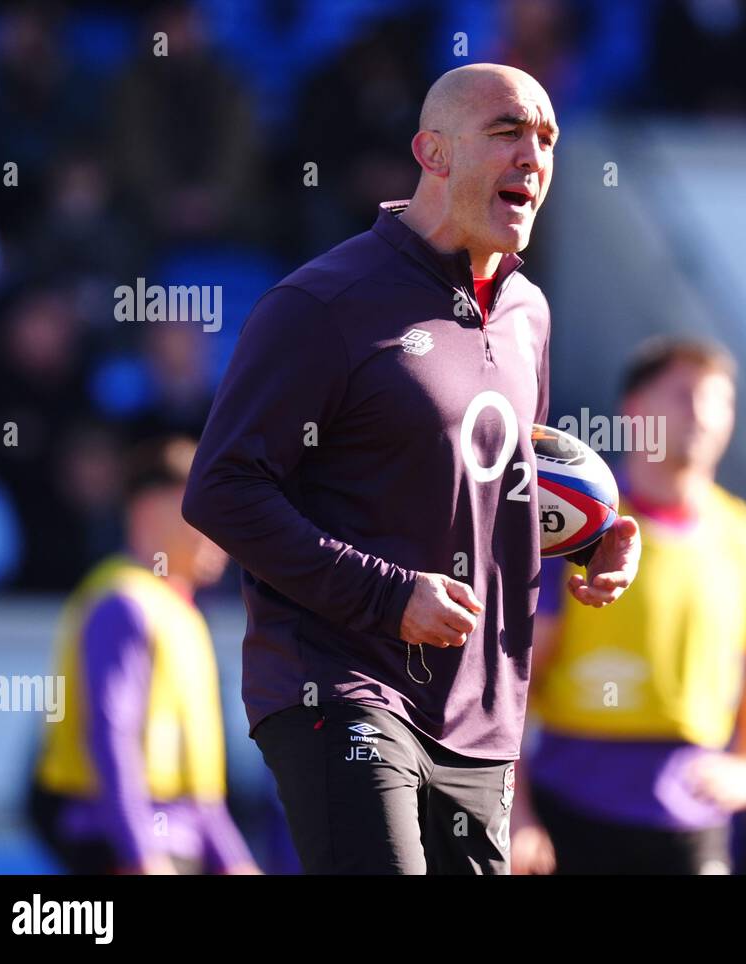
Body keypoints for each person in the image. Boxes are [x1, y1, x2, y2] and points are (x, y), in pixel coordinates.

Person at [182, 63, 640, 875]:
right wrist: (389, 596)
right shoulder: (322, 303)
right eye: (506, 132)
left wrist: (587, 536)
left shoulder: (529, 312)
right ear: (431, 151)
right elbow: (222, 488)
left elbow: (490, 475)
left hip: (480, 712)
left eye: (547, 138)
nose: (533, 156)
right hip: (340, 685)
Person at [512, 337, 746, 874]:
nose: (703, 416)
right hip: (571, 810)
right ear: (634, 410)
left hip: (693, 822)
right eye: (684, 396)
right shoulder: (579, 527)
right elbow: (515, 674)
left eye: (719, 401)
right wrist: (517, 812)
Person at [31, 436, 258, 874]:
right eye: (203, 515)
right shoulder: (123, 602)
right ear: (151, 511)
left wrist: (234, 861)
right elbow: (110, 737)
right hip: (121, 848)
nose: (220, 536)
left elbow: (199, 782)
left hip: (171, 849)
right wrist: (140, 853)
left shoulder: (181, 614)